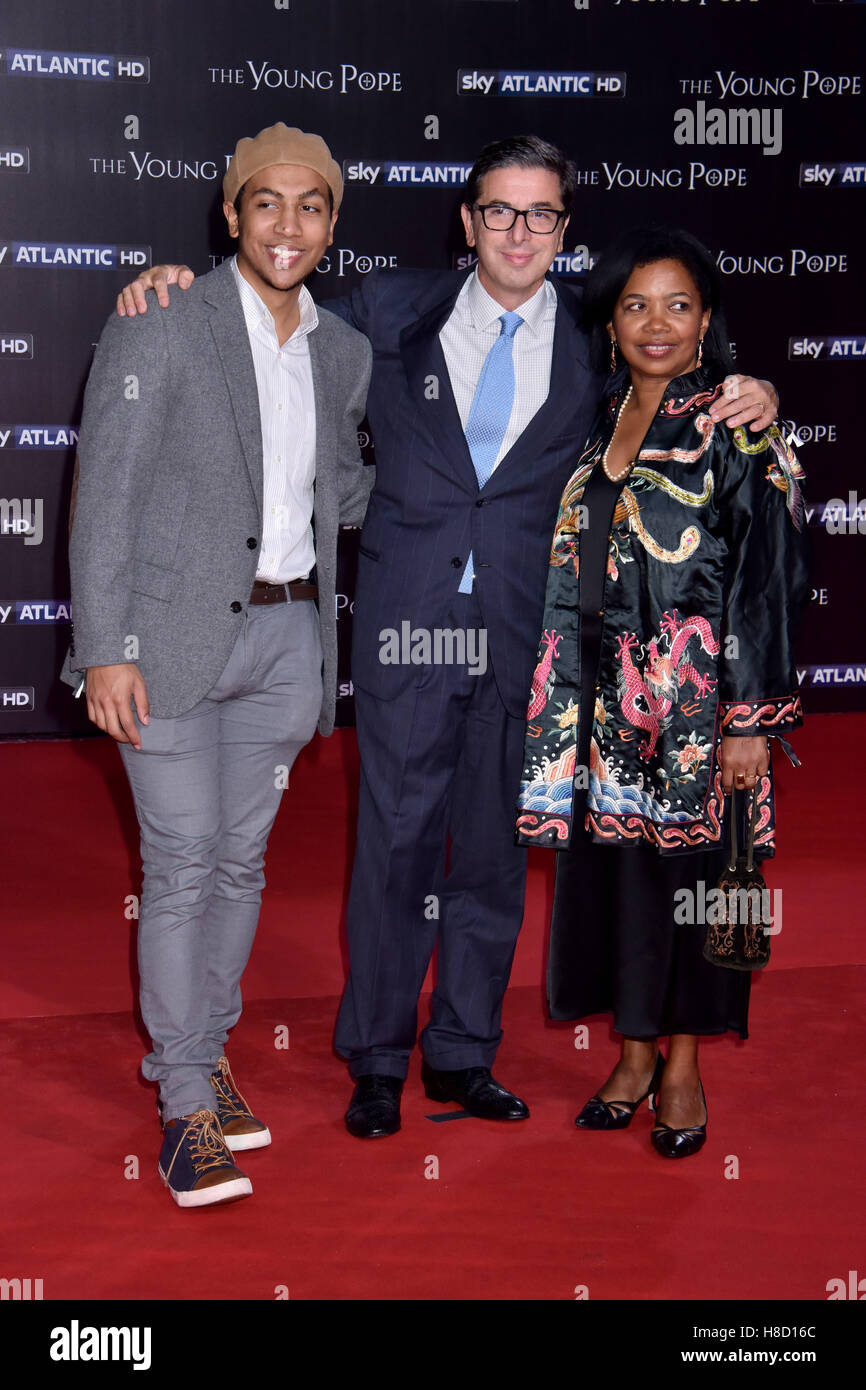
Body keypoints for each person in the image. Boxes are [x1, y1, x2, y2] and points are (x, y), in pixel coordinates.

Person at [116, 135, 779, 1141]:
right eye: (499, 211)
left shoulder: (595, 339)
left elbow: (674, 383)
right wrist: (175, 284)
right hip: (406, 628)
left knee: (495, 857)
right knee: (394, 847)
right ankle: (377, 1057)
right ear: (467, 222)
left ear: (563, 230)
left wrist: (757, 391)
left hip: (530, 642)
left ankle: (464, 1050)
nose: (518, 232)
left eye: (540, 214)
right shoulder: (389, 309)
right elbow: (265, 314)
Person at [62, 124, 373, 1205]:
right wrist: (104, 649)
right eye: (267, 202)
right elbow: (103, 495)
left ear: (331, 224)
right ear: (232, 213)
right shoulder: (160, 321)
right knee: (183, 862)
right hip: (168, 643)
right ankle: (185, 1101)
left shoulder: (343, 349)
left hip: (289, 642)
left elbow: (343, 488)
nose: (289, 225)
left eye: (311, 206)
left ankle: (209, 1050)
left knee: (241, 863)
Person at [515, 226, 808, 1158]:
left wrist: (747, 719)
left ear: (706, 320)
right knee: (624, 886)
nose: (655, 323)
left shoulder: (736, 428)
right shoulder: (591, 419)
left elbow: (766, 581)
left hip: (697, 715)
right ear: (609, 323)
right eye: (635, 305)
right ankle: (634, 1053)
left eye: (677, 305)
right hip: (598, 710)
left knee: (701, 888)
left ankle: (683, 1067)